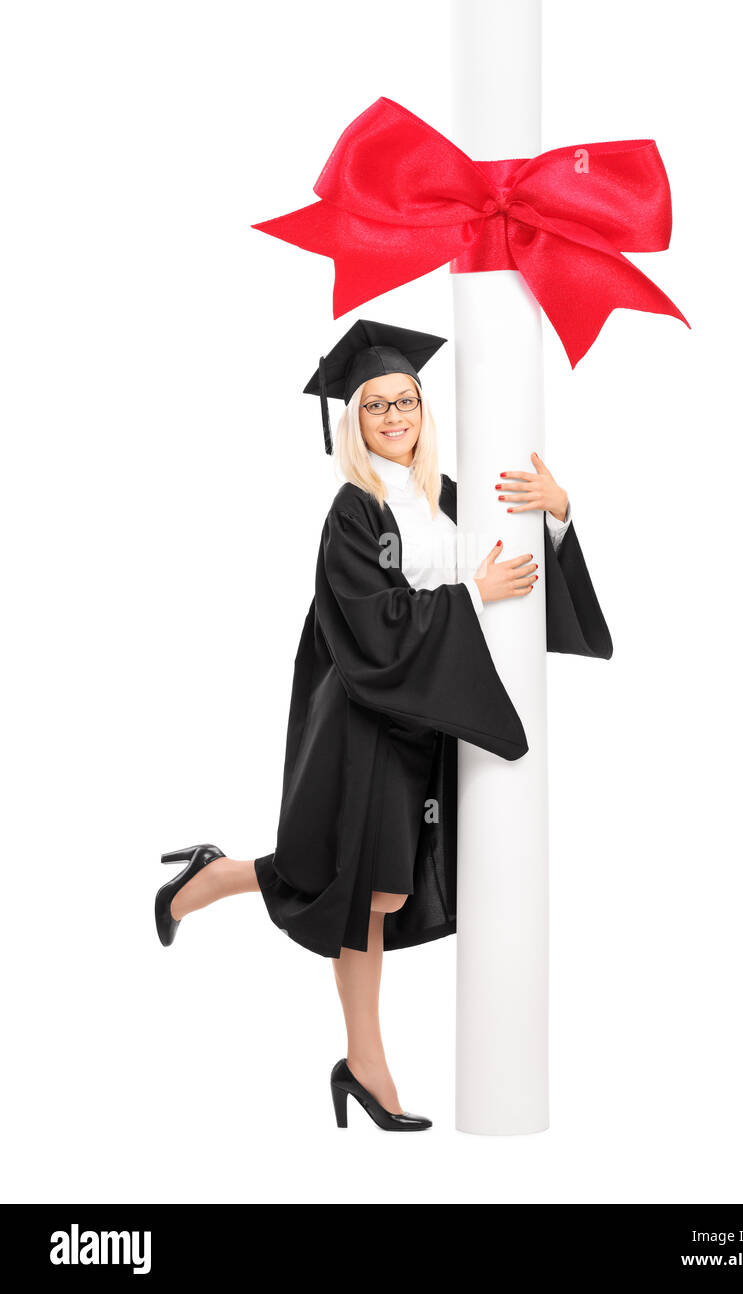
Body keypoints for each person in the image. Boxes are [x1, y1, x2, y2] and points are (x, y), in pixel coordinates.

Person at [154, 319, 612, 1131]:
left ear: (423, 410)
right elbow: (373, 622)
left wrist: (559, 511)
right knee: (364, 889)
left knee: (372, 885)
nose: (396, 416)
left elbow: (523, 587)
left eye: (407, 401)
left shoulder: (446, 500)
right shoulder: (354, 510)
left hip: (421, 722)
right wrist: (471, 599)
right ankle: (366, 1067)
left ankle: (217, 877)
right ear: (354, 423)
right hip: (363, 718)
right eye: (377, 407)